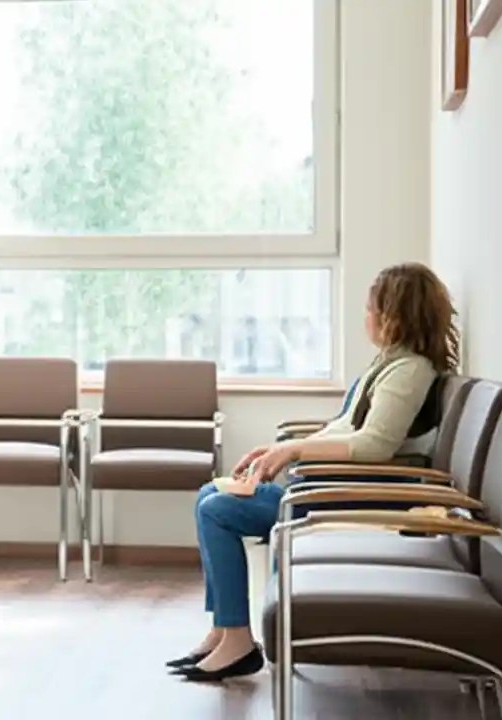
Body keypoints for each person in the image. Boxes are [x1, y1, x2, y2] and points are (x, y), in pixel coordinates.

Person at [171, 262, 461, 682]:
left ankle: (237, 641)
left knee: (217, 510)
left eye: (371, 308)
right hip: (325, 485)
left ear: (393, 316)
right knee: (209, 495)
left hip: (345, 496)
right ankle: (224, 629)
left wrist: (293, 449)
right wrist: (277, 450)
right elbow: (344, 429)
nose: (366, 316)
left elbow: (375, 445)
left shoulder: (410, 371)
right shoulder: (389, 364)